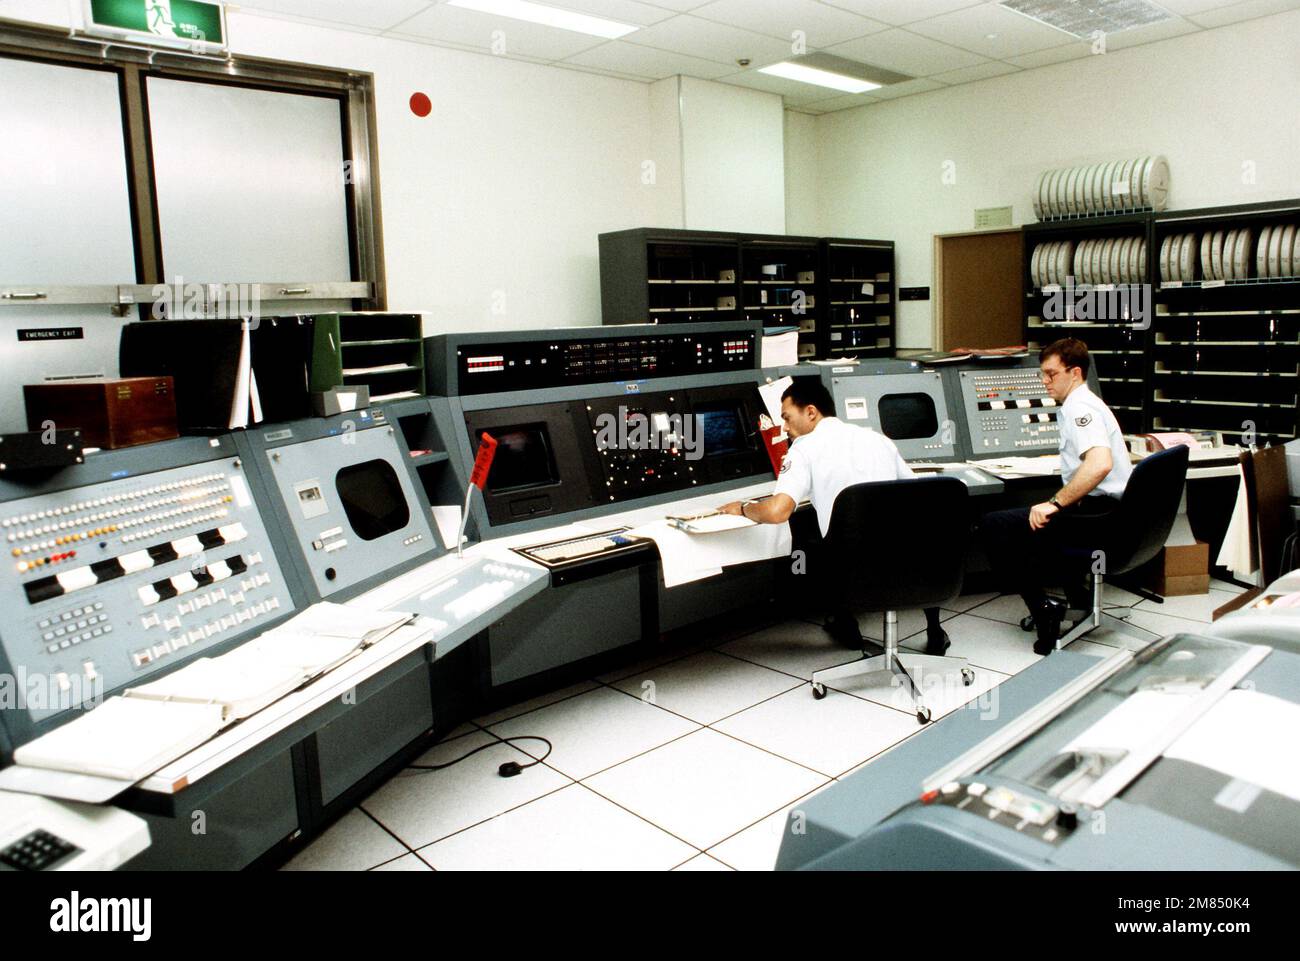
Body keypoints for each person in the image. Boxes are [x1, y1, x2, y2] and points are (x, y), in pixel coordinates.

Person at [718, 376, 951, 655]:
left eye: (787, 418)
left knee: (805, 538)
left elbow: (778, 511)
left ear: (811, 412)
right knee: (910, 532)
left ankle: (845, 621)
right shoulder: (877, 438)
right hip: (906, 559)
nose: (784, 427)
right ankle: (935, 629)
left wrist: (743, 508)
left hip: (855, 568)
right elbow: (921, 495)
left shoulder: (804, 448)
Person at [979, 338, 1133, 655]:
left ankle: (1044, 609)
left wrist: (1054, 503)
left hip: (1100, 517)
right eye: (1042, 375)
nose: (1045, 383)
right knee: (1039, 522)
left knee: (995, 525)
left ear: (1074, 372)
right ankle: (1077, 600)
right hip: (1114, 514)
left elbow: (1100, 464)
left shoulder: (1079, 407)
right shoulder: (1087, 403)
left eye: (1051, 374)